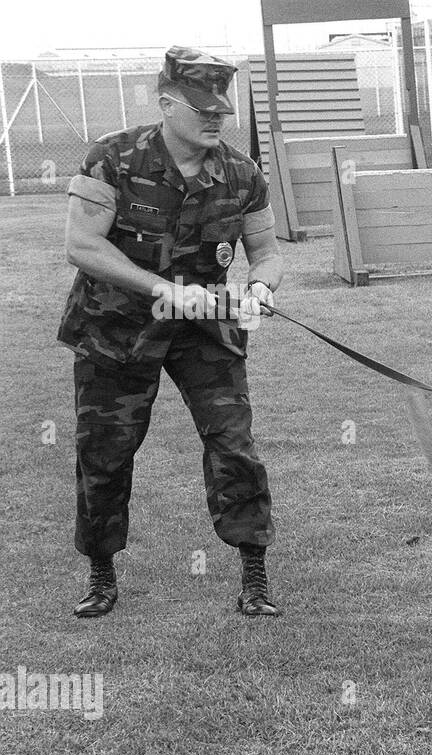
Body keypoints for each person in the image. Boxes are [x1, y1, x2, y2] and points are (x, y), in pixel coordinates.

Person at [60, 46, 284, 618]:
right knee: (105, 451)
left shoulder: (241, 172)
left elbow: (266, 251)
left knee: (233, 443)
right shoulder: (112, 159)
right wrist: (160, 288)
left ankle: (254, 575)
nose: (216, 118)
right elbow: (82, 246)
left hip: (204, 328)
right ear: (167, 103)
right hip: (117, 328)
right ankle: (101, 574)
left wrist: (261, 286)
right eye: (202, 108)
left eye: (221, 110)